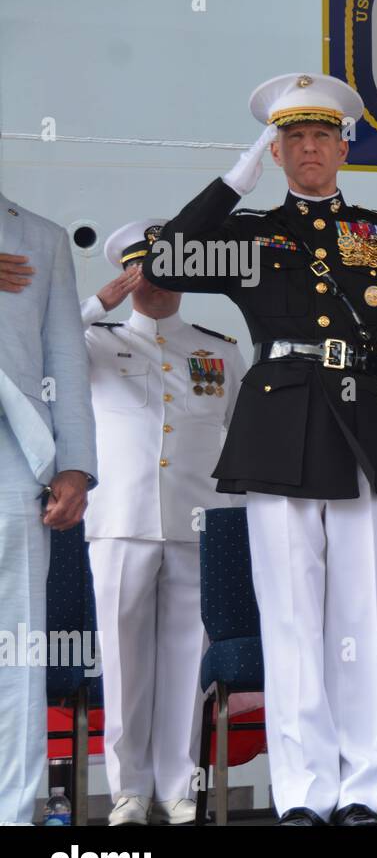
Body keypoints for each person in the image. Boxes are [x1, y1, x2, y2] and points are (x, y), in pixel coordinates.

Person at [146, 73, 377, 826]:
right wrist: (228, 183)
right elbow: (167, 263)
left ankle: (363, 787)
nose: (311, 150)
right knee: (290, 616)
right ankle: (303, 789)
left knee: (362, 619)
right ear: (275, 153)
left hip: (367, 428)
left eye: (323, 137)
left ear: (344, 146)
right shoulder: (246, 236)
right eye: (293, 140)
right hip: (277, 429)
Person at [82, 220, 245, 825]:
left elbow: (239, 443)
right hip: (120, 522)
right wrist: (99, 301)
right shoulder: (94, 340)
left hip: (195, 523)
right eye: (144, 270)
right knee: (122, 661)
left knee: (185, 661)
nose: (156, 282)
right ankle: (128, 790)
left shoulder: (220, 350)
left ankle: (178, 785)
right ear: (127, 275)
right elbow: (21, 342)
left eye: (170, 268)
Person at [0, 190, 97, 825]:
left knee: (16, 649)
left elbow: (66, 356)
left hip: (15, 462)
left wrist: (76, 465)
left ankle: (11, 811)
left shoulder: (39, 235)